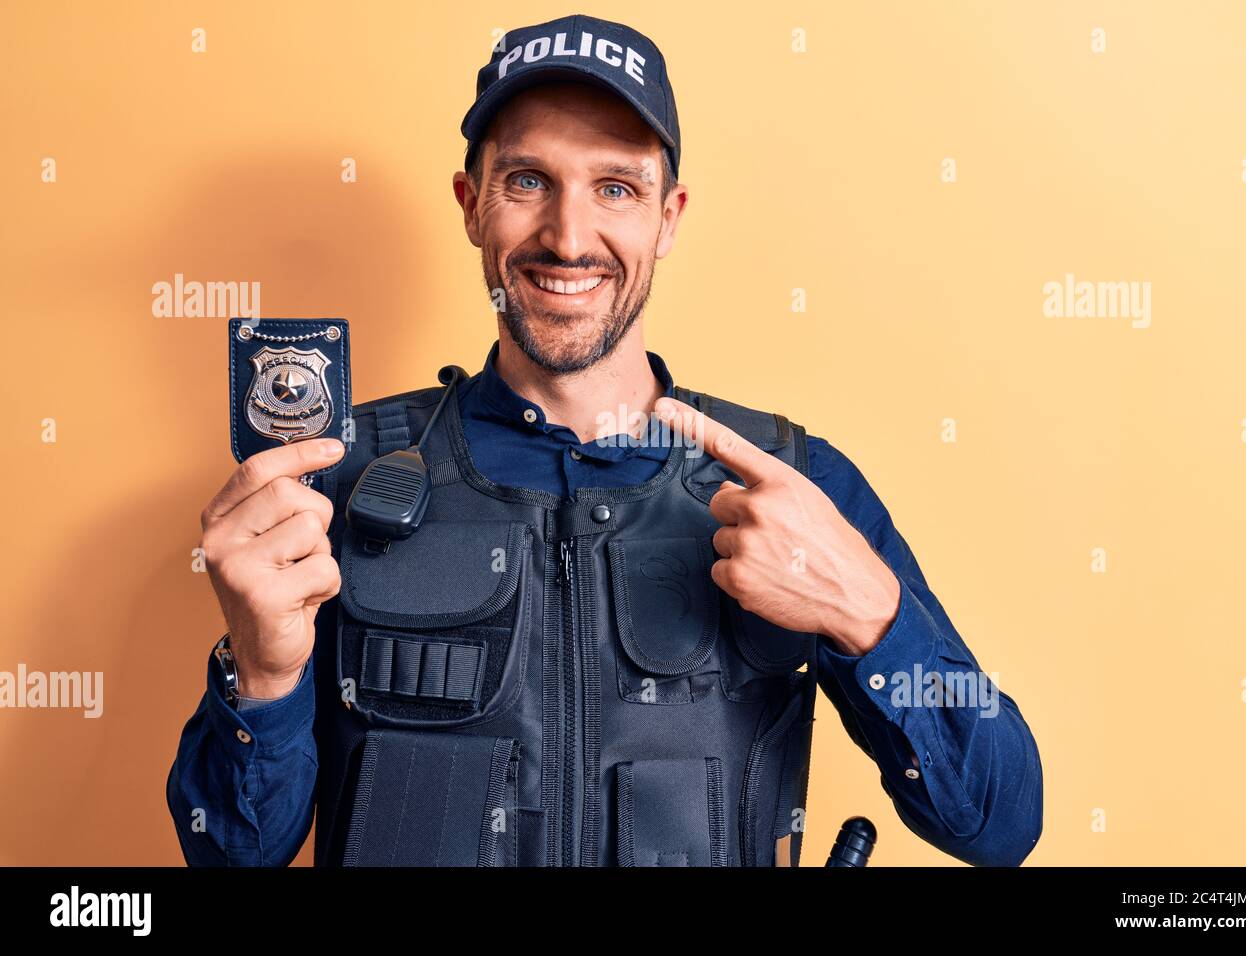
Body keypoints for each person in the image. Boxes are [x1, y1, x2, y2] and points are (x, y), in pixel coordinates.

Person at [167, 13, 1042, 867]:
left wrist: (872, 618)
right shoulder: (330, 476)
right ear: (473, 206)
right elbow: (234, 852)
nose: (569, 238)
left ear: (669, 216)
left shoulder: (794, 485)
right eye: (527, 181)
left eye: (615, 187)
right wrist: (262, 675)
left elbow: (1001, 823)